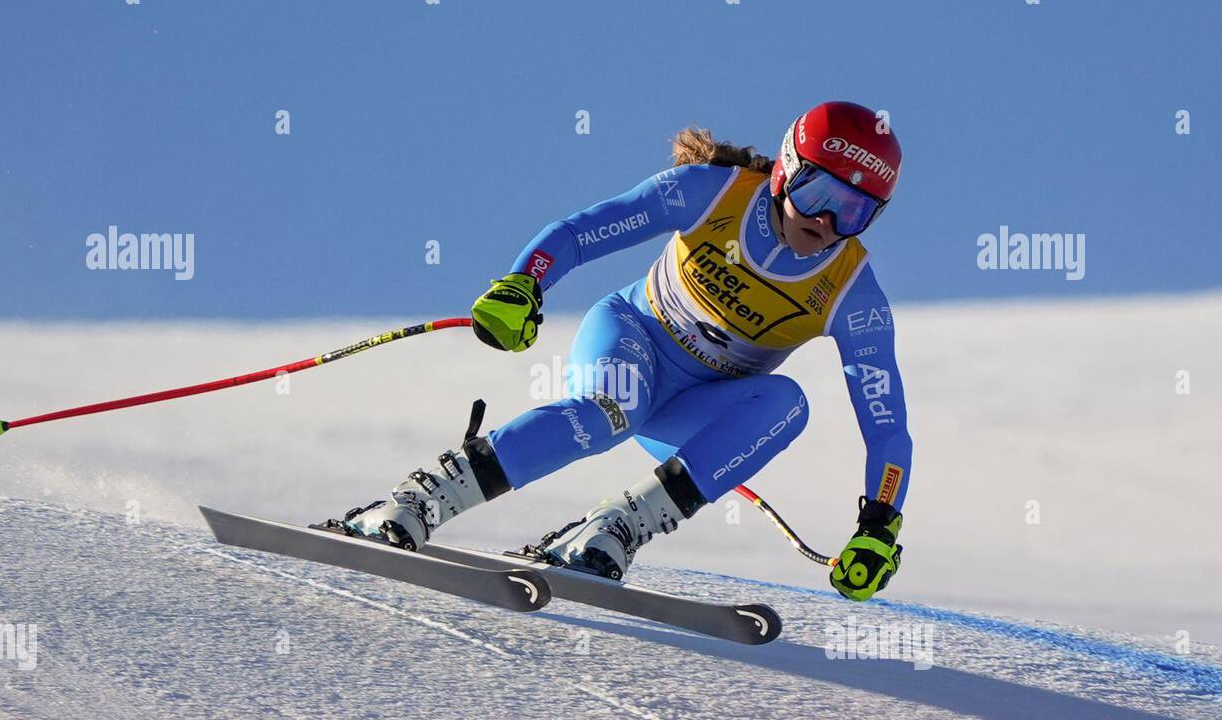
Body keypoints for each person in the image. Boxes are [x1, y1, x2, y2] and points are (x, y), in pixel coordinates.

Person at [338, 101, 911, 601]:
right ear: (786, 169)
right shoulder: (715, 192)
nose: (825, 220)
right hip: (634, 337)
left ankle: (616, 528)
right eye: (817, 192)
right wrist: (524, 283)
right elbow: (584, 230)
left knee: (789, 403)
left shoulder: (851, 293)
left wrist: (881, 523)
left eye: (854, 211)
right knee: (610, 413)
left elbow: (885, 426)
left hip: (696, 407)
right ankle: (420, 500)